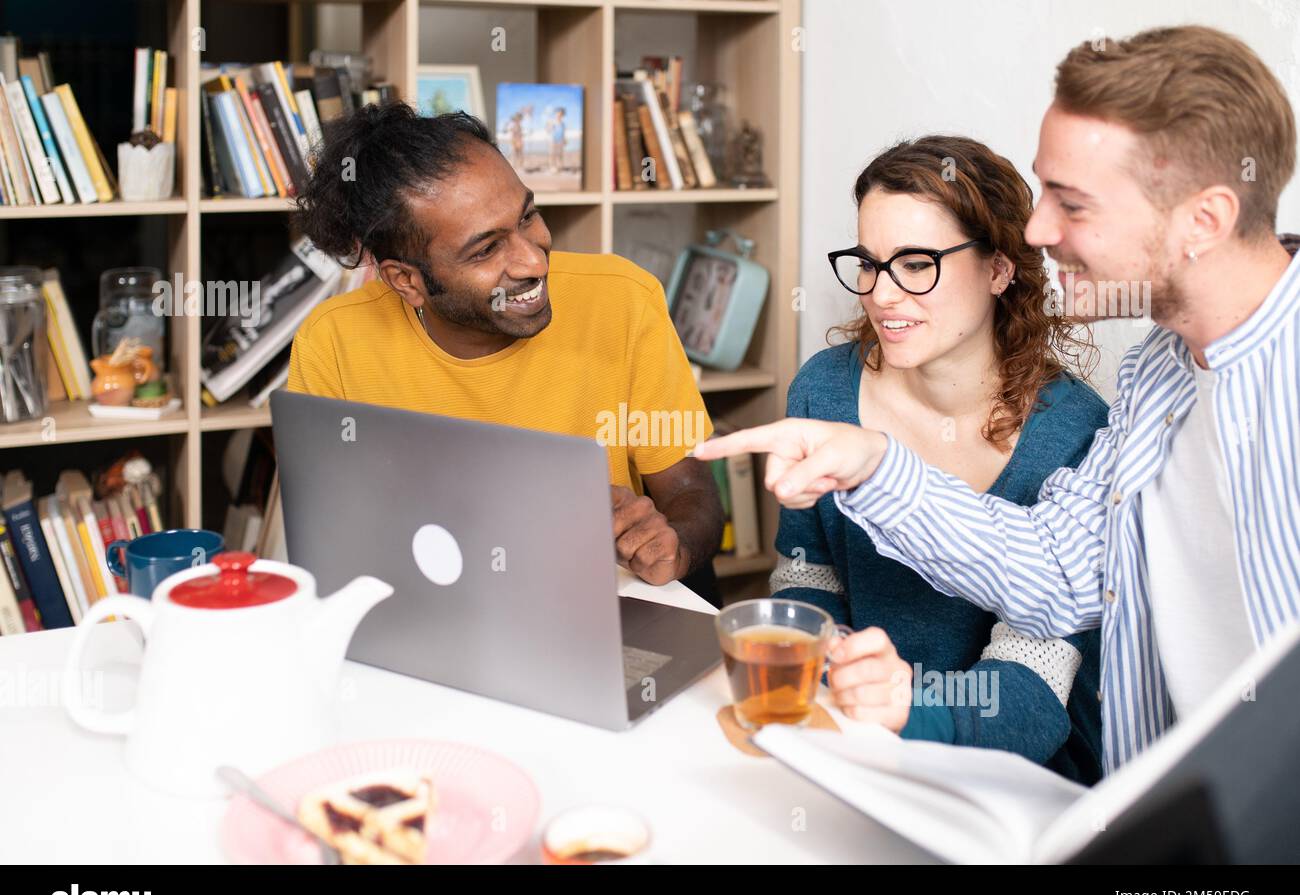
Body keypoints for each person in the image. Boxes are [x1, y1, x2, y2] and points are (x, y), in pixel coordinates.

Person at [696, 25, 1300, 773]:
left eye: (1071, 204)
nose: (1039, 231)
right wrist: (875, 464)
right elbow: (1057, 571)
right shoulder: (1160, 372)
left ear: (1203, 221)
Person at [772, 135, 1105, 781]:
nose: (883, 295)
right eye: (869, 263)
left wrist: (907, 716)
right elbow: (806, 577)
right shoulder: (824, 389)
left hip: (1002, 778)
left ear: (999, 270)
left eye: (917, 263)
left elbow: (1036, 687)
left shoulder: (1075, 432)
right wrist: (833, 659)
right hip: (852, 736)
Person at [287, 102, 723, 595]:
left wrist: (673, 543)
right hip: (428, 609)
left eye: (528, 216)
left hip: (596, 603)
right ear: (406, 281)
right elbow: (331, 530)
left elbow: (690, 491)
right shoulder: (334, 342)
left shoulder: (624, 298)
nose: (533, 260)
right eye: (486, 249)